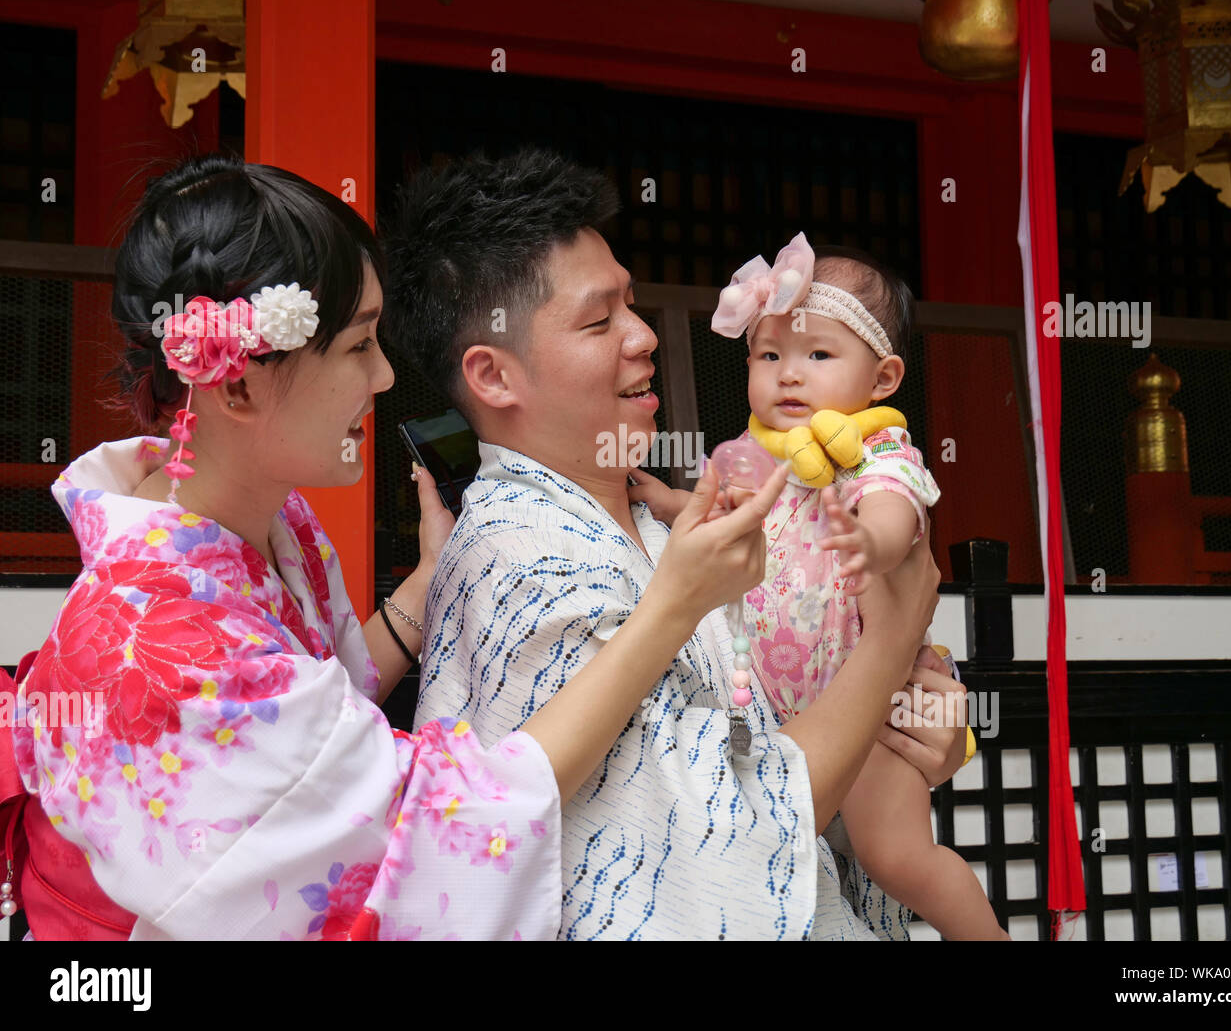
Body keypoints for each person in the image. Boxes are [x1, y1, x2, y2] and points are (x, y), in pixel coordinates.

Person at [0, 154, 785, 941]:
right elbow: (439, 828)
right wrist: (672, 607)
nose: (383, 377)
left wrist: (426, 584)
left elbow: (320, 708)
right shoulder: (165, 649)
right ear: (236, 386)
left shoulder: (263, 523)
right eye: (356, 345)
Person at [386, 148, 966, 940]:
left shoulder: (659, 523)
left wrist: (904, 722)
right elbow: (726, 839)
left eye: (631, 305)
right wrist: (890, 642)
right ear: (492, 375)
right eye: (600, 320)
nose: (644, 336)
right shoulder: (523, 561)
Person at [630, 233, 1006, 940]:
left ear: (884, 377)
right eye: (769, 355)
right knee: (793, 843)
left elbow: (898, 508)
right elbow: (723, 512)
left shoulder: (874, 450)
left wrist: (871, 540)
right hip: (779, 710)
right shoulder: (751, 453)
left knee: (895, 856)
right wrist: (669, 500)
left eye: (817, 355)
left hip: (875, 703)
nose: (789, 376)